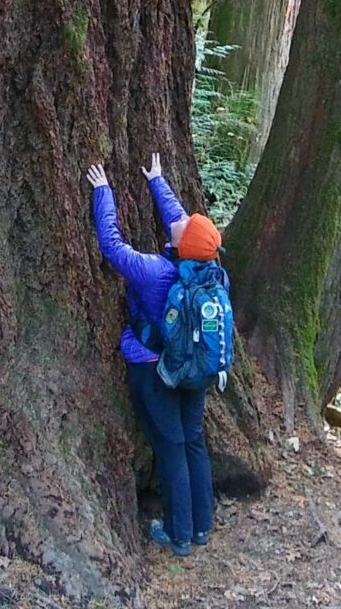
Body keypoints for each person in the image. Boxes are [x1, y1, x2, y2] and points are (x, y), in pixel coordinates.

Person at [86, 153, 223, 558]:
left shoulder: (152, 272)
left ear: (182, 246)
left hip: (154, 371)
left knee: (172, 448)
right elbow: (184, 223)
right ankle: (202, 526)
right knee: (193, 441)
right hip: (195, 371)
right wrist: (157, 182)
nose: (178, 220)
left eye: (182, 227)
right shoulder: (213, 271)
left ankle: (179, 534)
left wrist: (103, 191)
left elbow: (111, 245)